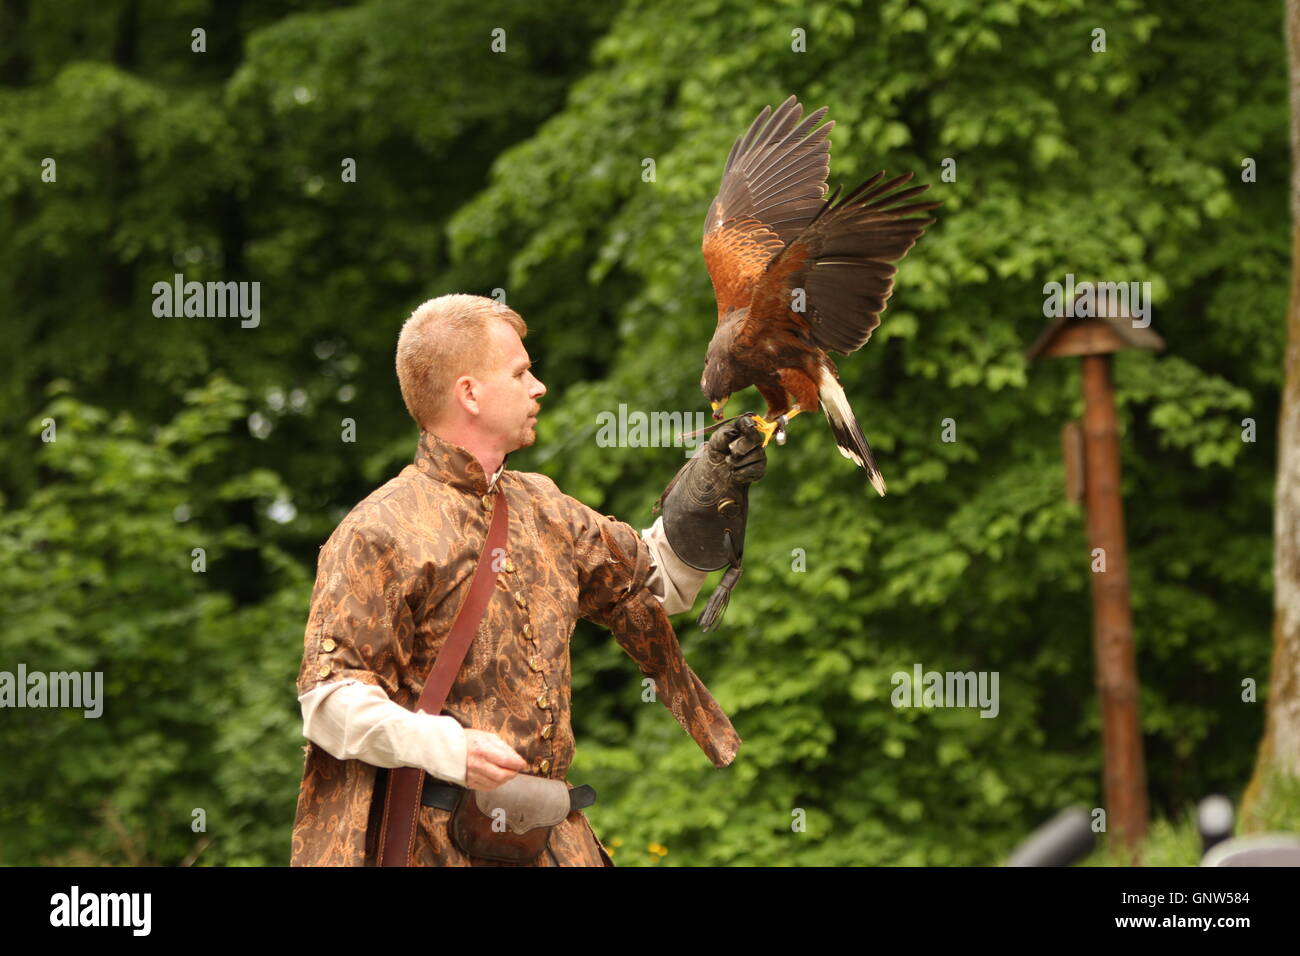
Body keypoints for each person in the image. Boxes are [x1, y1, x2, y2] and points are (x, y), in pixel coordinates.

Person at [290, 293, 765, 866]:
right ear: (469, 393)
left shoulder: (544, 506)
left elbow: (654, 582)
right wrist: (449, 747)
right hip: (432, 843)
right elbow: (329, 702)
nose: (538, 386)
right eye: (520, 372)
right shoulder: (378, 530)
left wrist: (707, 495)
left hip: (548, 839)